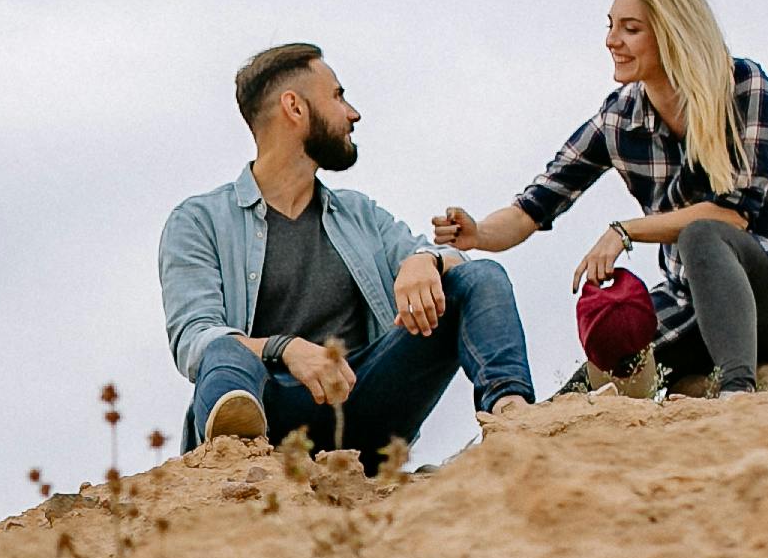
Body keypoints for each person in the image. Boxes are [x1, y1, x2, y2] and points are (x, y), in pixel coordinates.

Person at [430, 0, 768, 394]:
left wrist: (624, 232)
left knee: (702, 236)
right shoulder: (619, 119)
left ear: (671, 33)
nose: (612, 41)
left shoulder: (741, 85)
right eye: (611, 27)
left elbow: (733, 215)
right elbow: (532, 208)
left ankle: (737, 395)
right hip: (693, 305)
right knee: (593, 378)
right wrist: (478, 234)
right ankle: (509, 445)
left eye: (630, 29)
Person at [159, 43, 536, 456]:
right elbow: (195, 340)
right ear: (295, 108)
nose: (352, 113)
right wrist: (285, 349)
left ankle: (514, 418)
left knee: (480, 276)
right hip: (269, 411)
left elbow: (453, 260)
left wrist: (424, 259)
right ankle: (236, 456)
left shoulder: (359, 213)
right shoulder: (198, 221)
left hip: (360, 408)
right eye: (338, 96)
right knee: (224, 351)